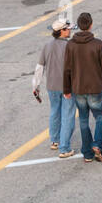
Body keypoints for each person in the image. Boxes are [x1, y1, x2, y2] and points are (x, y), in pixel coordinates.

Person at [62, 12, 102, 163]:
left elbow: (67, 69)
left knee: (83, 119)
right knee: (100, 116)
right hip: (95, 87)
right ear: (91, 25)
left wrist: (66, 89)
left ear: (78, 26)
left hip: (78, 88)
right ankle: (97, 144)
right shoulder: (97, 44)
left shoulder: (70, 45)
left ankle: (87, 153)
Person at [33, 17, 77, 158]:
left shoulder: (47, 46)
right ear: (62, 31)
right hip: (67, 87)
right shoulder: (70, 46)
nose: (70, 31)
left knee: (54, 111)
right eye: (68, 29)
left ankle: (55, 140)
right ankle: (64, 148)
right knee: (68, 115)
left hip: (51, 86)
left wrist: (36, 86)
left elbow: (39, 68)